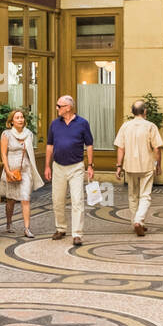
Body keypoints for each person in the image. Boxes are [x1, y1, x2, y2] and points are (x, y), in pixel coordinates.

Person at [44, 94, 94, 245]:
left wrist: (90, 165)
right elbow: (49, 146)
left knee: (77, 200)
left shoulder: (82, 123)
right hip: (58, 166)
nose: (57, 108)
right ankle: (61, 228)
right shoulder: (54, 124)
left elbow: (89, 145)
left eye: (59, 106)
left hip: (76, 167)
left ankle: (77, 233)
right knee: (57, 199)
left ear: (68, 108)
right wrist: (47, 165)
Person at [114, 100, 163, 236]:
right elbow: (157, 148)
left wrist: (119, 166)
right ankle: (139, 220)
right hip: (146, 165)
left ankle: (136, 222)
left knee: (132, 195)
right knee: (145, 195)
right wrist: (158, 165)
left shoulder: (125, 126)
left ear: (132, 112)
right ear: (145, 111)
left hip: (129, 166)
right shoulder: (150, 126)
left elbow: (120, 148)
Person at [0, 107, 43, 237]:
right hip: (11, 170)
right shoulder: (6, 134)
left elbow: (30, 153)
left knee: (25, 198)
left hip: (25, 170)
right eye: (17, 118)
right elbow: (3, 154)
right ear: (11, 121)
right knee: (11, 200)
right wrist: (7, 171)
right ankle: (9, 222)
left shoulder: (28, 134)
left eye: (22, 117)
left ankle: (27, 228)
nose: (20, 119)